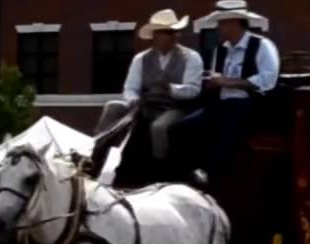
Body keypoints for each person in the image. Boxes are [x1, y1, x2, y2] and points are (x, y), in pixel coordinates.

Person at [97, 10, 203, 163]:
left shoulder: (191, 57)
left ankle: (159, 166)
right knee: (112, 107)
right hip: (146, 106)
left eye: (173, 32)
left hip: (175, 107)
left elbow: (193, 90)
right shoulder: (141, 59)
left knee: (159, 127)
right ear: (154, 36)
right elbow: (130, 88)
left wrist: (170, 88)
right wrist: (134, 100)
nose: (171, 37)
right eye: (165, 33)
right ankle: (97, 155)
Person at [204, 0, 279, 182]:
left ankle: (215, 178)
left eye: (222, 23)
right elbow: (218, 78)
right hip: (221, 103)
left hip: (251, 105)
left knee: (228, 128)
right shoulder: (221, 49)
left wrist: (228, 82)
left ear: (234, 23)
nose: (219, 28)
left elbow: (268, 80)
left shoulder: (262, 45)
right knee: (183, 127)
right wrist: (212, 82)